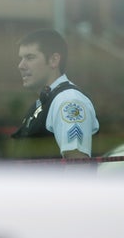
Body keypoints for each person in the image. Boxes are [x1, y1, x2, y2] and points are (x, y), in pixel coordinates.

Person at [10, 29, 99, 158]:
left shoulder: (68, 100)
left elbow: (77, 167)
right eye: (21, 58)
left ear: (54, 60)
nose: (21, 66)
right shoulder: (46, 101)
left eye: (30, 57)